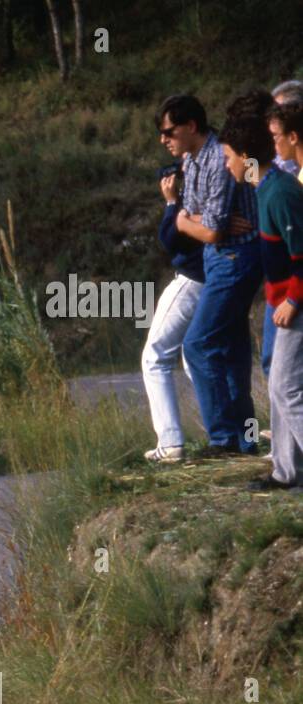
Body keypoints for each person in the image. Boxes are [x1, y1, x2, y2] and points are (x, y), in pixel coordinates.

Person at [163, 93, 261, 456]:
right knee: (232, 351)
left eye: (169, 131)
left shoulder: (218, 158)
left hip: (234, 258)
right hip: (219, 258)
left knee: (198, 344)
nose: (164, 139)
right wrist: (195, 220)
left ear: (191, 126)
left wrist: (184, 221)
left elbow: (212, 231)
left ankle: (223, 438)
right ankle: (246, 438)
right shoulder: (192, 160)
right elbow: (197, 218)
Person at [219, 108, 303, 489]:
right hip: (284, 304)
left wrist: (292, 301)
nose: (226, 166)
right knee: (278, 386)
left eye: (228, 157)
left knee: (286, 387)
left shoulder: (280, 194)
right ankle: (287, 472)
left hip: (296, 306)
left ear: (245, 157)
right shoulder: (264, 190)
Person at [142, 157, 206, 463]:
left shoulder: (196, 185)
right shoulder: (214, 172)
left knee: (155, 357)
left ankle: (169, 443)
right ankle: (229, 432)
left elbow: (169, 238)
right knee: (196, 358)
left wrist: (171, 202)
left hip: (192, 278)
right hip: (216, 276)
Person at [257, 83, 303, 379]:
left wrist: (294, 298)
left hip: (293, 284)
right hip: (282, 281)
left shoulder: (289, 181)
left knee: (284, 378)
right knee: (273, 367)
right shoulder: (281, 166)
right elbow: (253, 180)